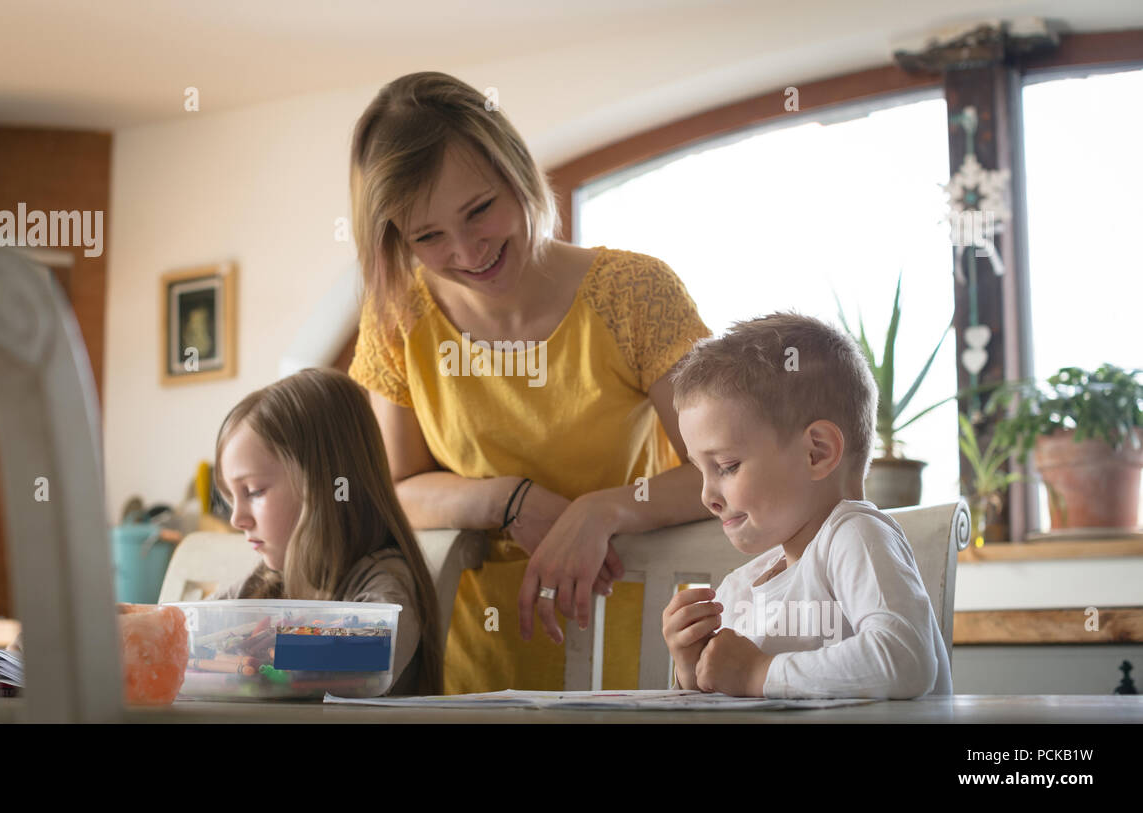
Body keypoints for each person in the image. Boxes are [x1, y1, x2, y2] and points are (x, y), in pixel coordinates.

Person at [346, 71, 713, 692]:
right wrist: (507, 499)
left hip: (633, 648)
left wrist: (603, 511)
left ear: (517, 172)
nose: (468, 251)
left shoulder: (635, 292)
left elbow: (725, 472)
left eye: (480, 209)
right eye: (428, 236)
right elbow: (395, 490)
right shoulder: (397, 315)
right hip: (473, 660)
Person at [661, 312, 953, 698]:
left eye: (727, 466)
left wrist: (757, 674)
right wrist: (691, 668)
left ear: (817, 453)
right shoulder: (738, 589)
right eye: (701, 470)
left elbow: (905, 661)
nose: (706, 496)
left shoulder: (855, 535)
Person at [209, 368, 444, 696]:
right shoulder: (266, 583)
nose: (237, 518)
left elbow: (368, 654)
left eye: (254, 490)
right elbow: (192, 633)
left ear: (322, 486)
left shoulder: (384, 580)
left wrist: (258, 646)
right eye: (229, 496)